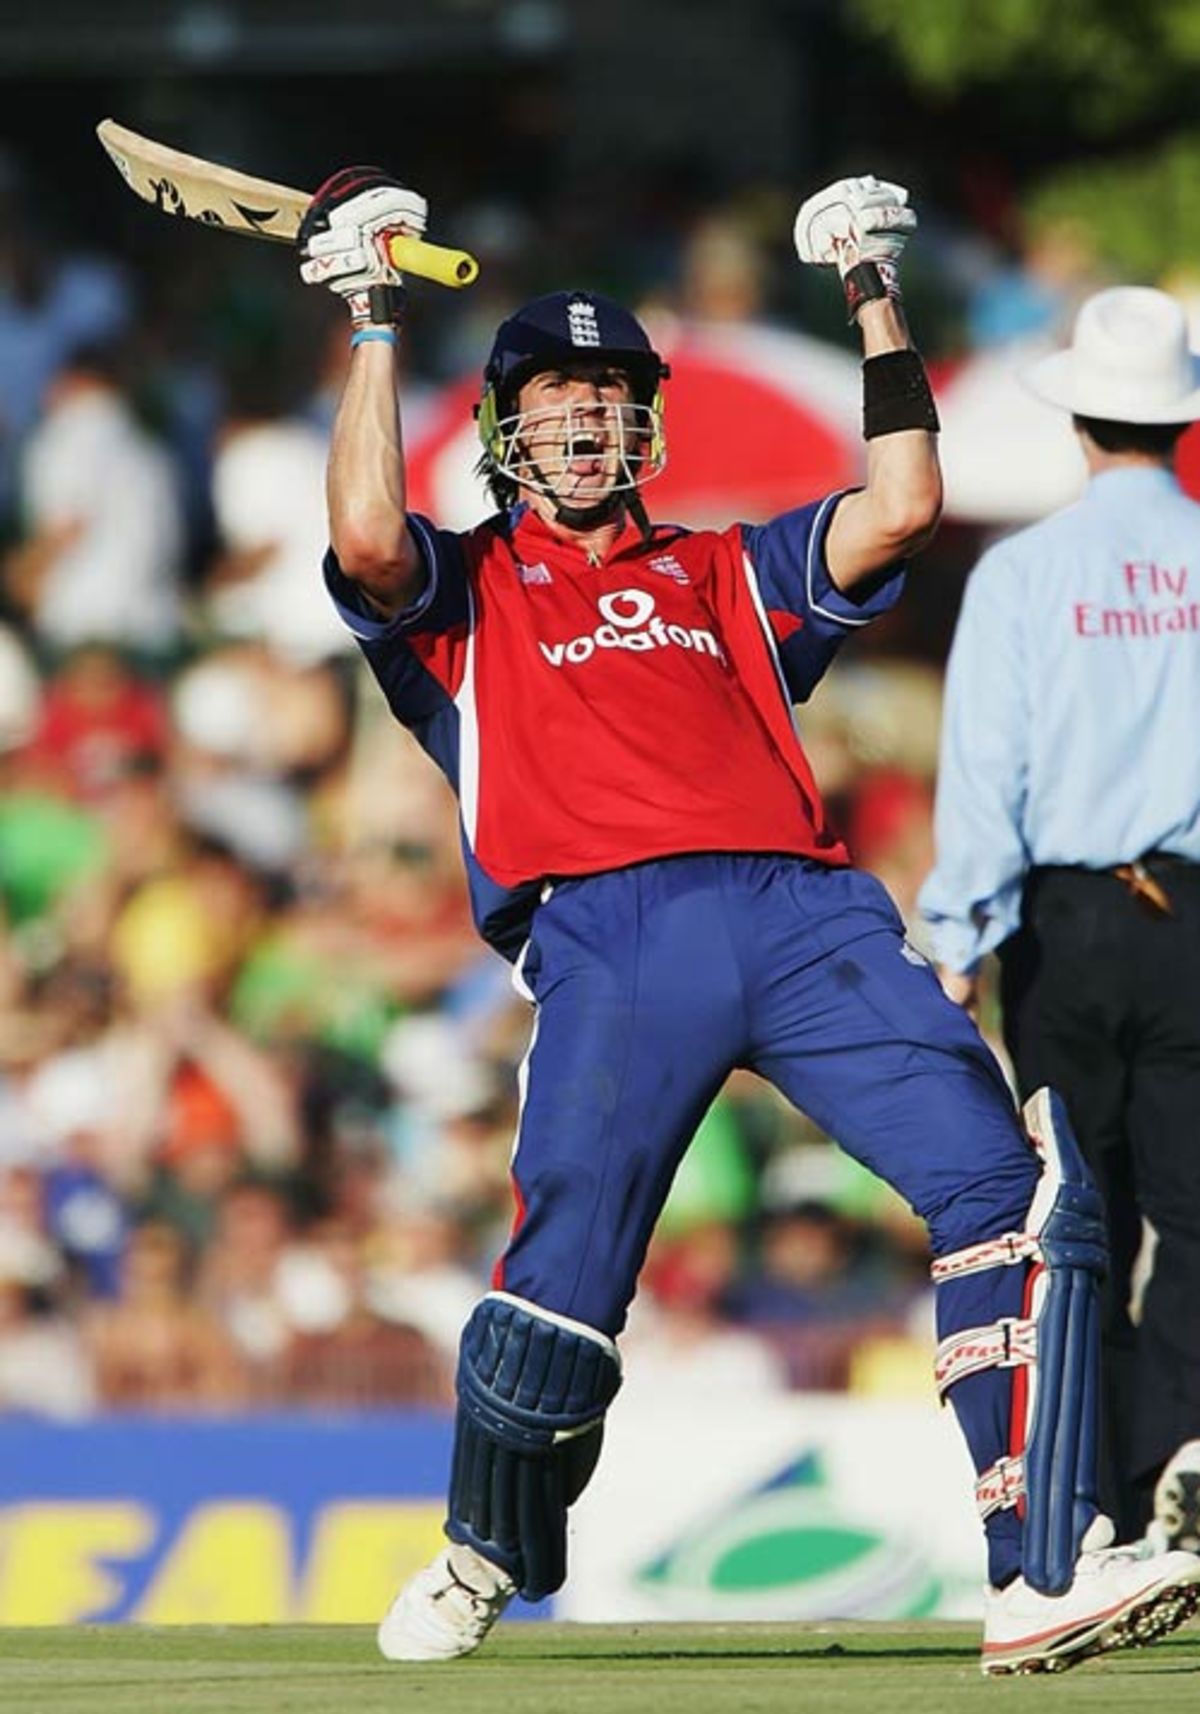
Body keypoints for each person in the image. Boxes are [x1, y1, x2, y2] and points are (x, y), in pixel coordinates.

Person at [299, 170, 1200, 1674]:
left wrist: (869, 285)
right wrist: (373, 314)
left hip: (805, 913)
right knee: (564, 1298)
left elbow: (905, 501)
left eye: (607, 397)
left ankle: (1039, 1563)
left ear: (642, 420)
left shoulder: (726, 569)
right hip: (610, 932)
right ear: (508, 430)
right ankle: (484, 1545)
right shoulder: (464, 592)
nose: (585, 422)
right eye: (555, 400)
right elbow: (367, 536)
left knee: (1015, 1183)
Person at [921, 284, 1200, 1554]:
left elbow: (989, 771)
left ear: (1083, 418)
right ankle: (1182, 1458)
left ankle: (1095, 1498)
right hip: (1194, 915)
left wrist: (962, 937)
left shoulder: (1025, 572)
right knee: (1197, 1216)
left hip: (1066, 920)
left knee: (1079, 1220)